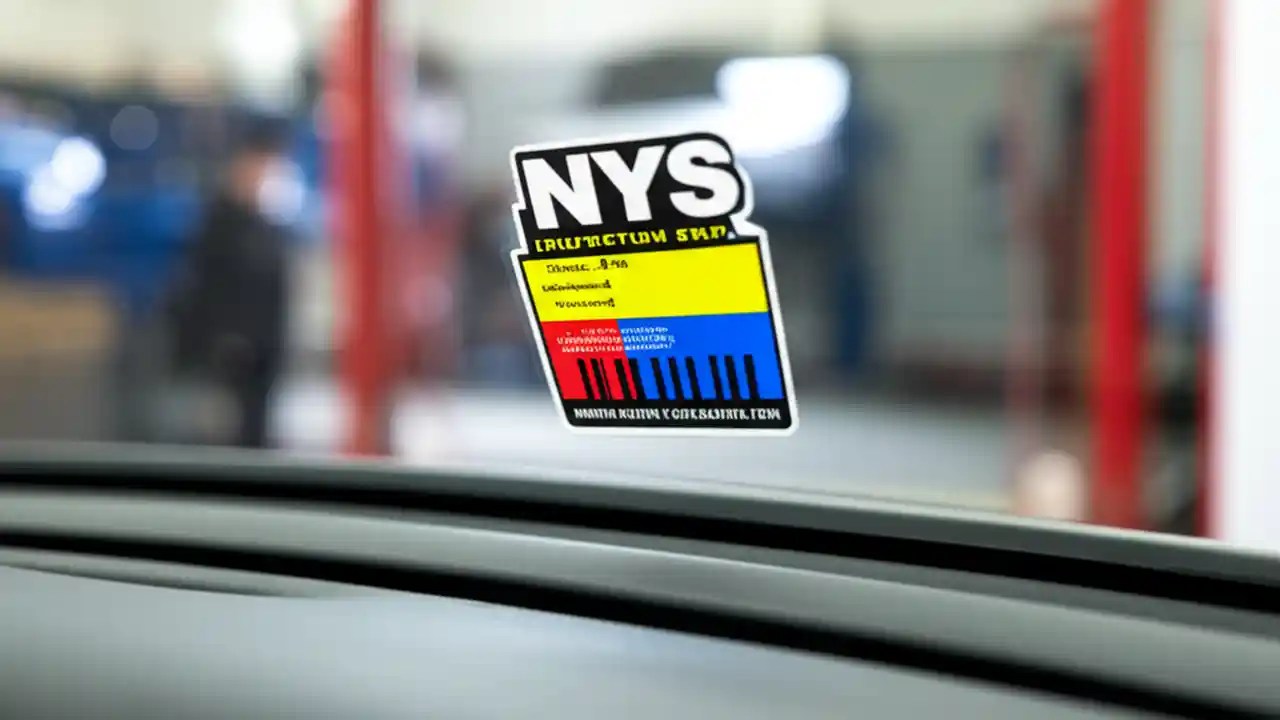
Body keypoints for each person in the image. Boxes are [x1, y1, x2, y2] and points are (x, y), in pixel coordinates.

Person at [169, 120, 292, 448]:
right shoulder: (218, 224)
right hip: (228, 355)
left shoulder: (266, 224)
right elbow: (202, 288)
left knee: (256, 431)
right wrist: (221, 340)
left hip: (264, 352)